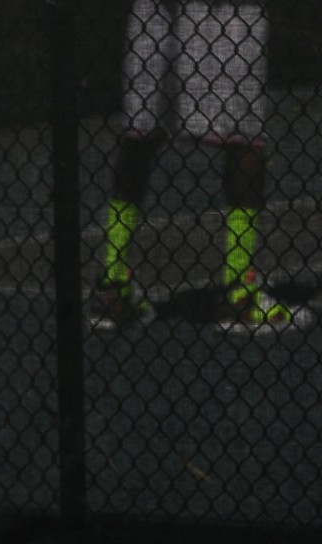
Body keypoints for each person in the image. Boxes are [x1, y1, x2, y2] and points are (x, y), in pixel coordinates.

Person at [89, 0, 296, 331]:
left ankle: (114, 285)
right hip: (226, 11)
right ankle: (239, 291)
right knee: (244, 137)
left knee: (139, 133)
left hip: (157, 11)